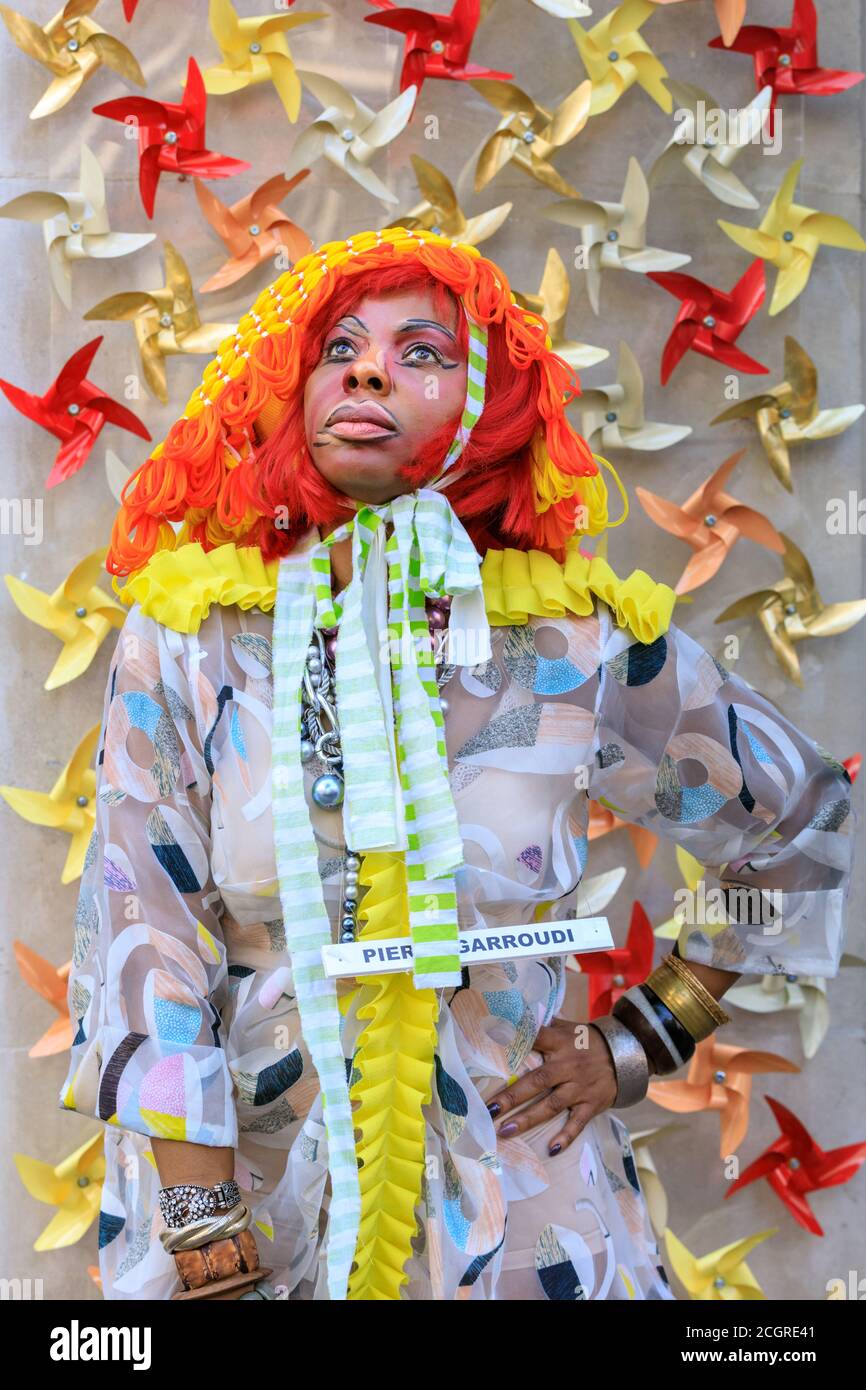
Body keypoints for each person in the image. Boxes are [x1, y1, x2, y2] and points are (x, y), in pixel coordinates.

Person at [58, 227, 854, 1301]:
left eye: (421, 350)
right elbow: (142, 917)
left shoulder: (575, 644)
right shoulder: (192, 639)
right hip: (248, 1203)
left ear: (493, 404)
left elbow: (796, 817)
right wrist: (202, 1216)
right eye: (338, 344)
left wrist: (644, 1037)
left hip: (515, 1207)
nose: (367, 367)